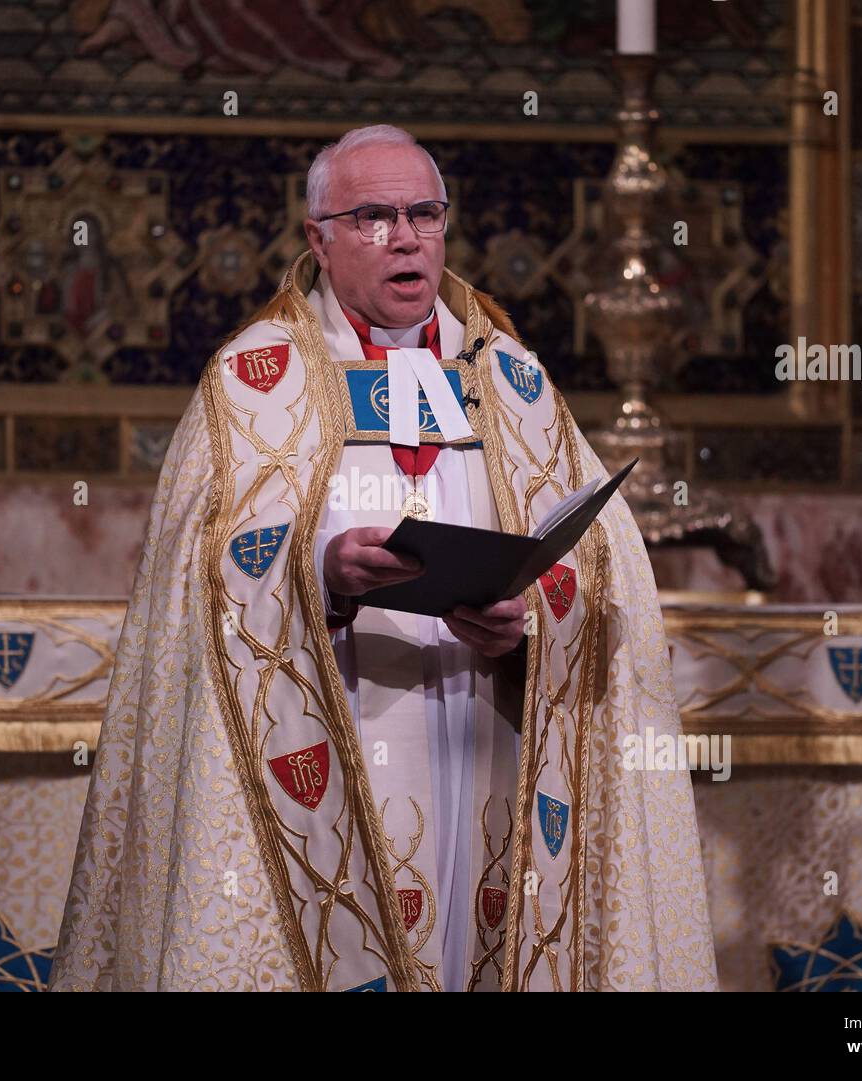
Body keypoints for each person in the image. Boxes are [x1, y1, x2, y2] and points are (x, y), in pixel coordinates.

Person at [49, 124, 718, 991]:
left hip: (487, 742)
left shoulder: (511, 379)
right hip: (336, 733)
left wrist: (529, 617)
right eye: (373, 217)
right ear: (317, 239)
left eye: (425, 214)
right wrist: (319, 576)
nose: (405, 237)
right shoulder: (257, 380)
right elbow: (195, 574)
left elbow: (600, 562)